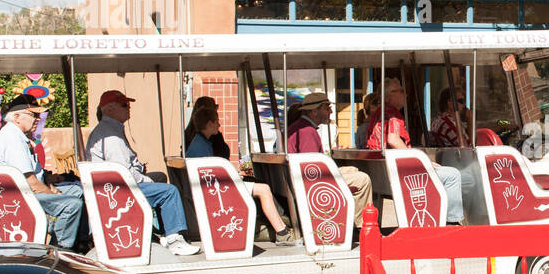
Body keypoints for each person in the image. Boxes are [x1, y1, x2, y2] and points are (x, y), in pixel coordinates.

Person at [85, 89, 200, 256]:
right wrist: (146, 180)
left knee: (160, 176)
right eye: (124, 105)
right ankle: (175, 238)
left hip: (114, 184)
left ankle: (160, 232)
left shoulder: (110, 130)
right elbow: (124, 172)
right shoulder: (110, 136)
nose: (128, 108)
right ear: (109, 109)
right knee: (169, 191)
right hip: (119, 189)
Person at [0, 95, 86, 249]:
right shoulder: (13, 138)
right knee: (72, 204)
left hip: (24, 192)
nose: (37, 119)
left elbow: (35, 174)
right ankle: (60, 249)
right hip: (18, 197)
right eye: (33, 115)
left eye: (39, 115)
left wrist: (50, 182)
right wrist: (54, 194)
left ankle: (80, 241)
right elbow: (31, 182)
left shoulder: (18, 135)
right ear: (17, 117)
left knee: (78, 190)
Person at [188, 108, 296, 244]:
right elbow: (210, 173)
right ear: (209, 123)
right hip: (216, 190)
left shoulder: (202, 142)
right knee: (263, 190)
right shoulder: (201, 146)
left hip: (213, 187)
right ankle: (282, 232)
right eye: (217, 121)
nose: (219, 125)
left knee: (255, 182)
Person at [365, 77, 465, 223]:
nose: (404, 94)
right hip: (401, 173)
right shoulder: (392, 114)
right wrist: (422, 162)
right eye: (399, 91)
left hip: (383, 172)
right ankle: (452, 222)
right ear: (387, 96)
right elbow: (393, 139)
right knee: (453, 175)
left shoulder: (377, 114)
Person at [286, 93, 374, 225]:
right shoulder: (307, 132)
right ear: (314, 111)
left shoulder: (302, 127)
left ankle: (353, 222)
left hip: (304, 178)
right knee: (363, 179)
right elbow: (313, 168)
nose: (331, 112)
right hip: (312, 183)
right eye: (327, 108)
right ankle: (359, 225)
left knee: (353, 169)